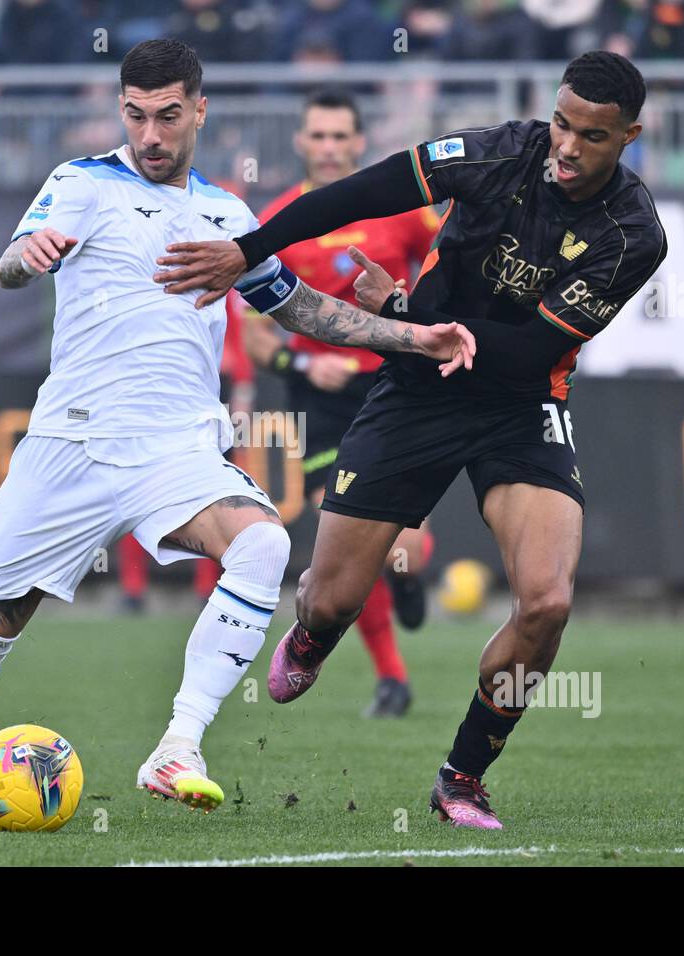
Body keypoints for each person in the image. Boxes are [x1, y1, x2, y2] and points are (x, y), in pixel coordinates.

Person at [0, 38, 474, 824]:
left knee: (266, 543)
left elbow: (300, 307)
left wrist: (414, 336)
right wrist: (25, 256)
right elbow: (9, 264)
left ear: (199, 111)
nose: (150, 135)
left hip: (176, 448)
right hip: (71, 443)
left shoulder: (227, 217)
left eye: (168, 116)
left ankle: (178, 744)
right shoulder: (80, 183)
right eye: (135, 116)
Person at [152, 51, 668, 829]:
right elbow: (364, 191)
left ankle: (462, 776)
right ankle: (317, 633)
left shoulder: (634, 234)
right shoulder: (501, 151)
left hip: (521, 404)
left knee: (548, 602)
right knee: (332, 599)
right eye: (561, 123)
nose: (565, 147)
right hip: (415, 389)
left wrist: (401, 311)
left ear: (628, 136)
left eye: (589, 136)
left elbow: (530, 350)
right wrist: (250, 252)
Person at [241, 87, 439, 717]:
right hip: (320, 401)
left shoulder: (400, 209)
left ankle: (409, 579)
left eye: (339, 137)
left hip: (396, 387)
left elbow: (443, 260)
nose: (328, 148)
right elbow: (252, 330)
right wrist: (301, 360)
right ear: (302, 142)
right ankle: (392, 679)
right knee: (350, 540)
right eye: (317, 136)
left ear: (358, 142)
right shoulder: (278, 220)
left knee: (407, 547)